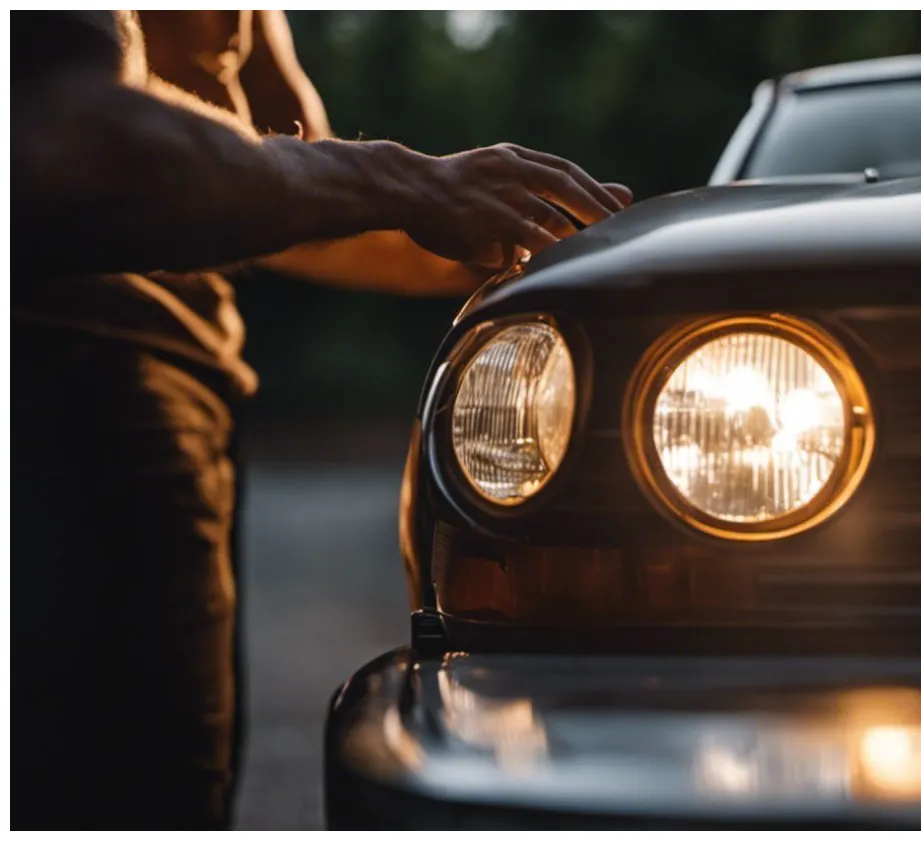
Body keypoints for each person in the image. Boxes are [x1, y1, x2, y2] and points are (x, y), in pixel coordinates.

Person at [10, 10, 631, 829]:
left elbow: (294, 181)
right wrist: (405, 179)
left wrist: (526, 241)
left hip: (181, 404)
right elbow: (66, 134)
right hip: (70, 389)